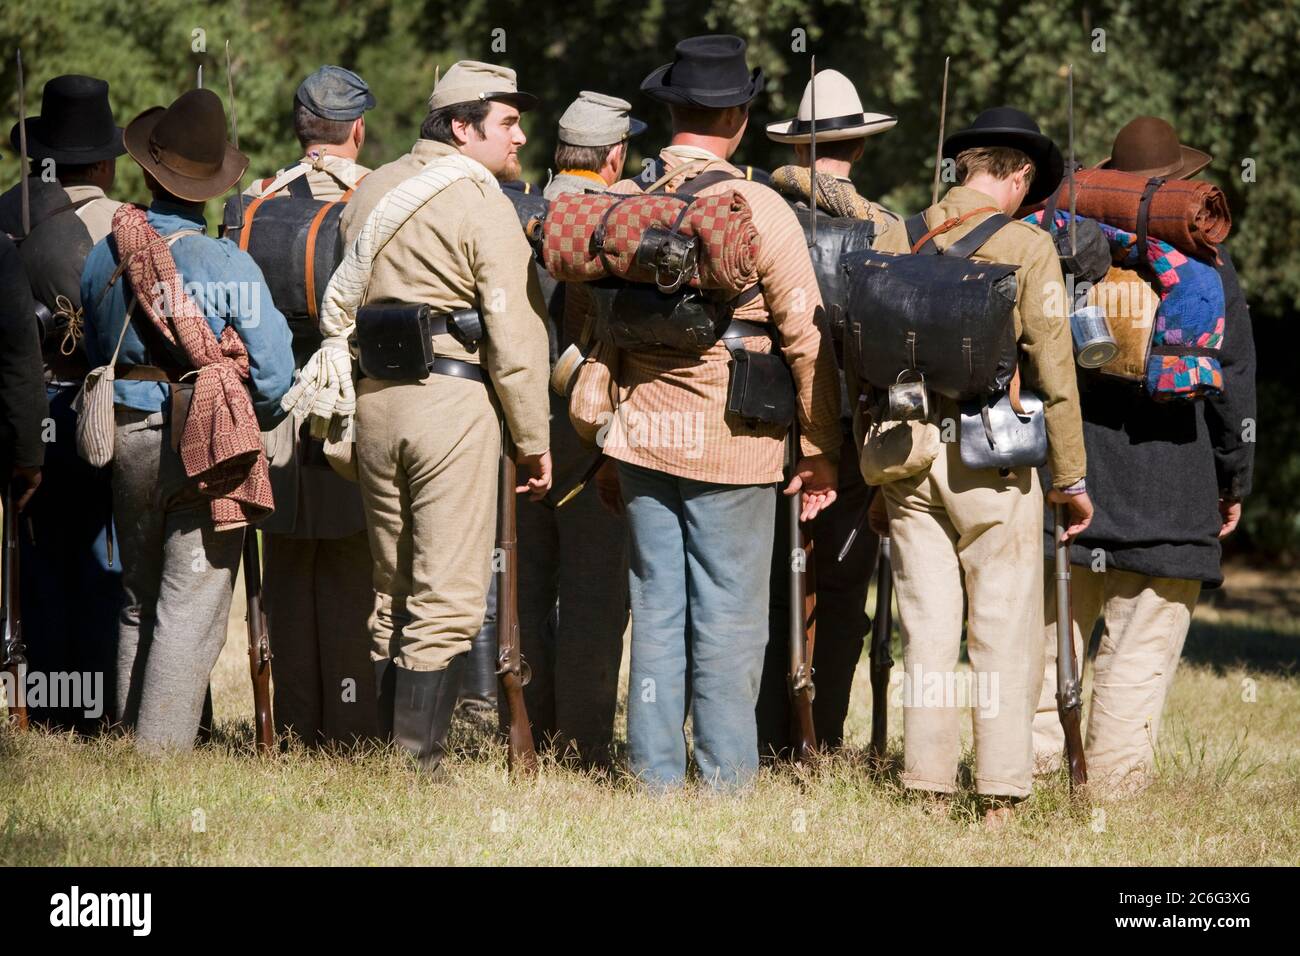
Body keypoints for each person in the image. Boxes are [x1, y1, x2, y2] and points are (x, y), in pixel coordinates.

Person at [604, 35, 842, 791]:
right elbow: (806, 334)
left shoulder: (626, 203)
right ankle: (728, 783)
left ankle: (653, 779)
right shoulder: (760, 206)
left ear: (671, 110)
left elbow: (592, 328)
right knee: (731, 620)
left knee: (656, 610)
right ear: (738, 116)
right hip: (734, 440)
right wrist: (820, 446)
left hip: (640, 431)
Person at [320, 61, 552, 775]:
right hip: (452, 403)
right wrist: (534, 439)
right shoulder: (484, 200)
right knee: (449, 598)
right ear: (461, 125)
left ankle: (396, 755)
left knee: (391, 589)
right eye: (507, 122)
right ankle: (416, 766)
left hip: (376, 402)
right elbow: (513, 337)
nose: (519, 137)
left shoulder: (371, 189)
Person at [865, 107, 1093, 824]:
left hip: (905, 452)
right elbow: (1056, 371)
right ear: (1019, 175)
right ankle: (998, 793)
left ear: (965, 167)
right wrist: (1072, 479)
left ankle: (928, 786)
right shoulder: (1028, 247)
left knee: (926, 630)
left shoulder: (899, 233)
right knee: (1001, 627)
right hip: (993, 457)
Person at [1032, 116, 1256, 796]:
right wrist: (1233, 480)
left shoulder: (1059, 251)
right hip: (1171, 494)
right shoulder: (1210, 270)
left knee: (1045, 653)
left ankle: (1029, 781)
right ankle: (1111, 796)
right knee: (1137, 657)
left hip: (1067, 490)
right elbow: (1232, 389)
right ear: (1179, 187)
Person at [81, 89, 294, 752]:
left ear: (149, 172)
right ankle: (158, 769)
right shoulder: (228, 262)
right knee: (189, 607)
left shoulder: (105, 254)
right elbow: (277, 376)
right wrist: (235, 404)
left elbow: (93, 346)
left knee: (139, 603)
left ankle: (129, 740)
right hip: (199, 446)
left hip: (126, 433)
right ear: (211, 185)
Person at [756, 67, 897, 753]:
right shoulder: (889, 231)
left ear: (794, 150)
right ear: (861, 150)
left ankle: (758, 737)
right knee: (842, 594)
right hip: (853, 438)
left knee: (762, 591)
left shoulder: (754, 210)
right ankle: (823, 735)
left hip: (758, 429)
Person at [505, 91, 646, 767]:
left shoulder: (513, 209)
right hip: (593, 437)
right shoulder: (617, 219)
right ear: (615, 156)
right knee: (593, 592)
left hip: (513, 432)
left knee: (525, 587)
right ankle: (584, 746)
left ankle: (524, 733)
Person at [245, 66, 378, 748]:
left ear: (301, 129)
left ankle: (294, 728)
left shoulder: (253, 199)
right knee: (353, 567)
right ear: (358, 128)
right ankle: (352, 732)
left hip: (270, 407)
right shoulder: (378, 200)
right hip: (347, 405)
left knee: (288, 569)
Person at [0, 74, 125, 731]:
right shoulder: (115, 221)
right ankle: (97, 710)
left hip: (18, 411)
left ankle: (46, 709)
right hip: (92, 407)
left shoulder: (3, 212)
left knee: (36, 561)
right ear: (103, 161)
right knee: (100, 562)